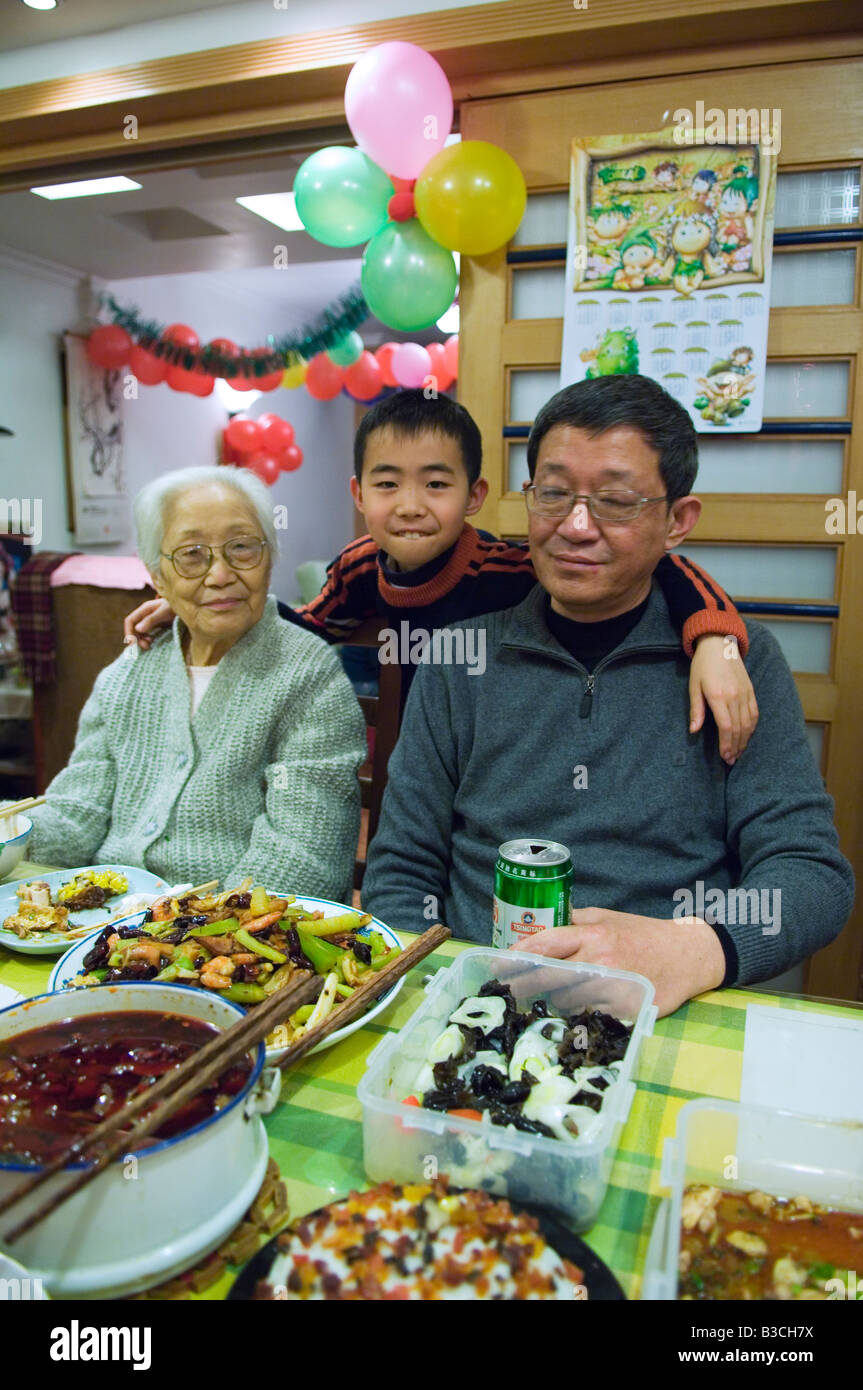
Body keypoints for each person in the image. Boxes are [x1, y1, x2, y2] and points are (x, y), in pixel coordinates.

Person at [361, 376, 854, 1015]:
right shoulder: (460, 661)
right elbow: (400, 869)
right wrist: (443, 999)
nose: (575, 526)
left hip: (667, 1004)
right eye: (553, 494)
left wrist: (694, 950)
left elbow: (811, 875)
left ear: (678, 521)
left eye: (617, 501)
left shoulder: (737, 663)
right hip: (475, 1003)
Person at [125, 391, 758, 764]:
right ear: (358, 493)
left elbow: (662, 568)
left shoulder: (514, 568)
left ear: (474, 495)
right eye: (386, 484)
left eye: (436, 484)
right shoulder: (357, 566)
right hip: (410, 749)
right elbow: (309, 628)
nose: (409, 505)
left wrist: (714, 639)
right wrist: (205, 607)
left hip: (501, 742)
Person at [28, 466, 366, 899]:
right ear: (157, 576)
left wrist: (185, 933)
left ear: (270, 555)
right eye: (191, 554)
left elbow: (303, 856)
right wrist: (13, 831)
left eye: (242, 548)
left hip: (236, 942)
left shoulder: (308, 676)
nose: (220, 574)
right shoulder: (126, 676)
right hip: (107, 927)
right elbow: (78, 812)